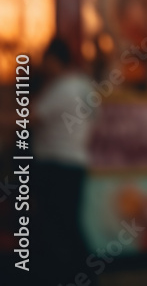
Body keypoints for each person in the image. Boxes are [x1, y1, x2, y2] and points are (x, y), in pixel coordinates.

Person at [34, 37, 100, 285]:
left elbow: (31, 117)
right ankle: (83, 274)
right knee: (68, 223)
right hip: (76, 161)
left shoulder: (62, 87)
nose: (43, 66)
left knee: (58, 225)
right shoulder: (84, 86)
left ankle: (77, 275)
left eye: (46, 60)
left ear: (54, 60)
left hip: (56, 163)